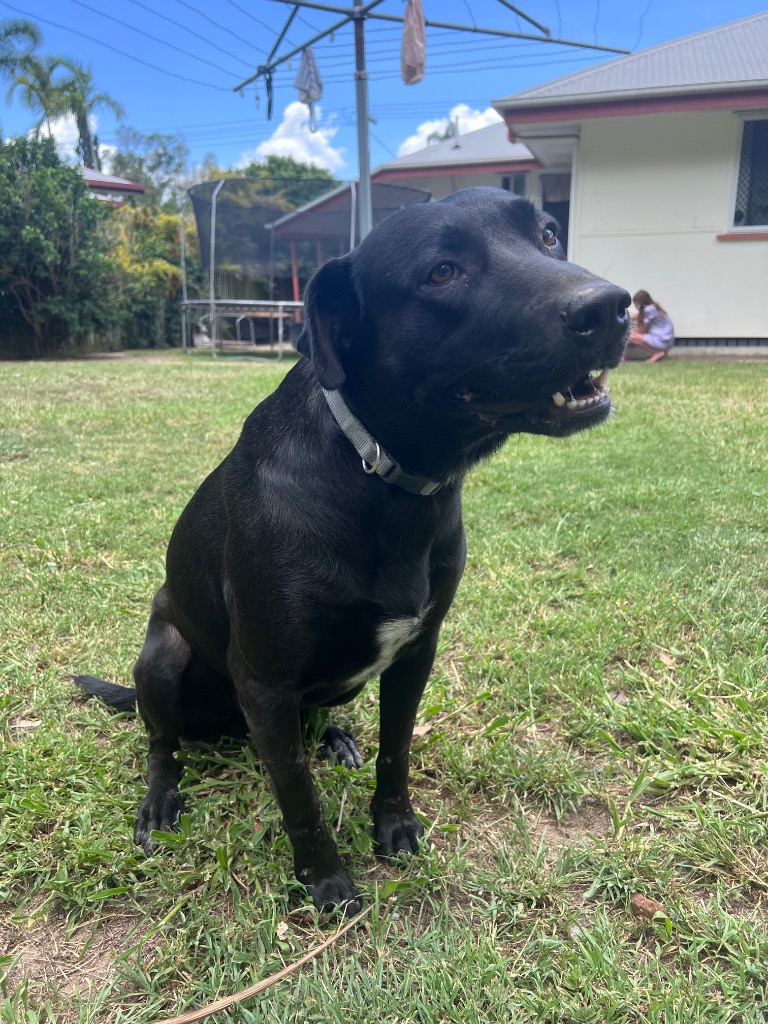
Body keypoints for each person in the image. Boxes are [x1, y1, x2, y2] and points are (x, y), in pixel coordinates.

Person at [626, 290, 674, 363]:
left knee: (630, 336)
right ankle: (660, 352)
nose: (636, 306)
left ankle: (657, 352)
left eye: (637, 304)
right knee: (632, 335)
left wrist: (634, 331)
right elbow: (638, 316)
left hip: (661, 340)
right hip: (665, 339)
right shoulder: (653, 307)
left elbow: (643, 329)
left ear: (641, 303)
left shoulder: (649, 310)